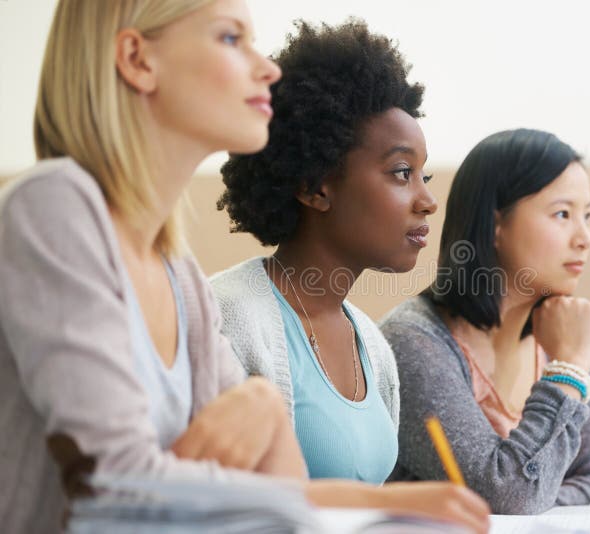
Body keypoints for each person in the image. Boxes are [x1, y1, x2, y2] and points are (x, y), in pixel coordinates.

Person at [0, 2, 487, 532]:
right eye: (232, 39)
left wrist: (400, 504)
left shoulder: (177, 273)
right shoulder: (53, 206)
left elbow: (276, 486)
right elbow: (115, 489)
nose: (268, 69)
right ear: (138, 60)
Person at [210, 14, 468, 498]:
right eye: (399, 173)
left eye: (423, 175)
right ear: (315, 188)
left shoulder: (373, 347)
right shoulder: (224, 319)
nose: (427, 200)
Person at [380, 129, 590, 514]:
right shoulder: (412, 342)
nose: (584, 238)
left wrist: (538, 498)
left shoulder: (557, 336)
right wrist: (568, 372)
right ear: (496, 224)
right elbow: (507, 499)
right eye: (562, 214)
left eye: (588, 216)